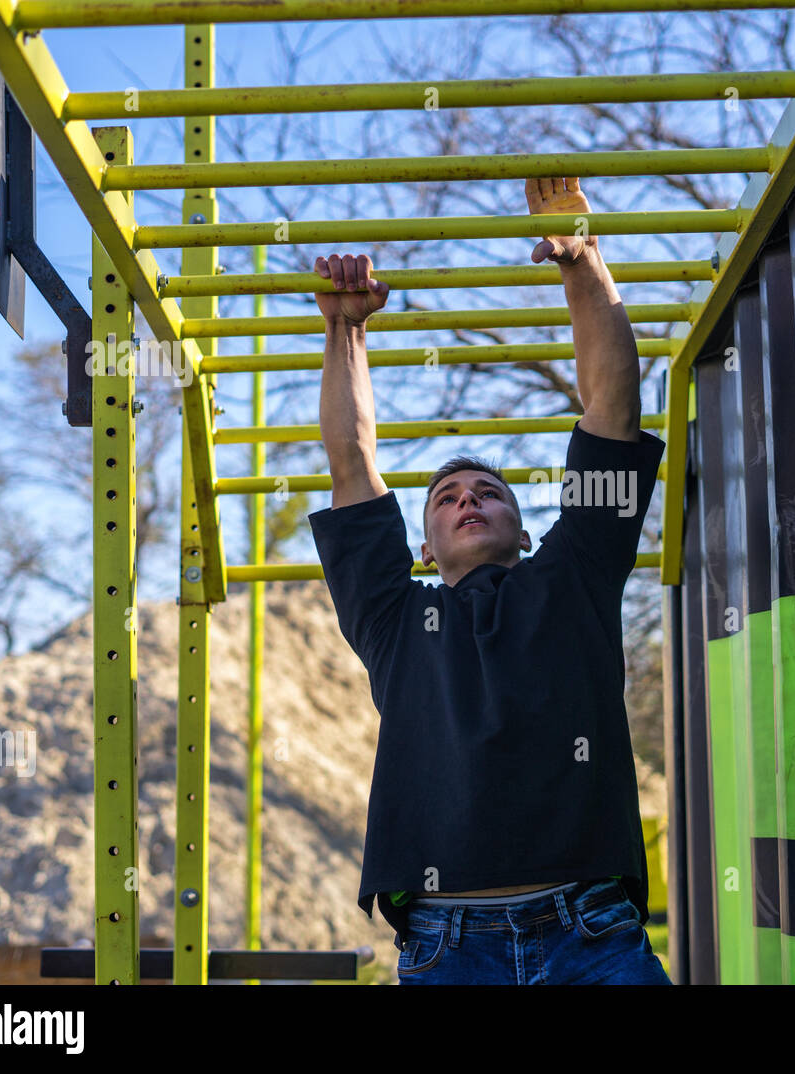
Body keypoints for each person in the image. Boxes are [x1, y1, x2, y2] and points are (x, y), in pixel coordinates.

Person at [307, 176, 672, 985]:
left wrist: (582, 256)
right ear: (425, 547)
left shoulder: (575, 575)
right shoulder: (394, 619)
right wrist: (345, 331)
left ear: (526, 528)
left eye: (488, 493)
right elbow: (352, 460)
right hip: (447, 945)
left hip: (590, 934)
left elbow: (611, 404)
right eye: (445, 498)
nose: (466, 499)